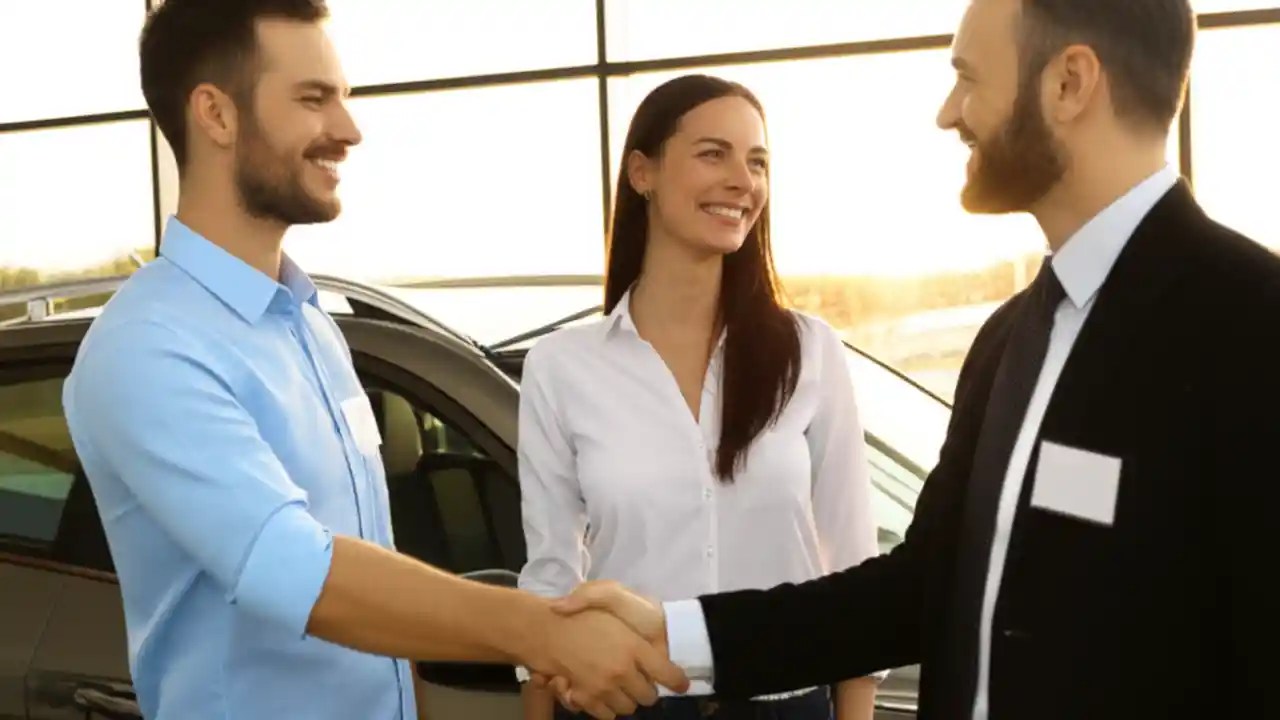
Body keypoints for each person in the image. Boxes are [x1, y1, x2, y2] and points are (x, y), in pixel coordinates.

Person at [538, 1, 1279, 719]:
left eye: (970, 78)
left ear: (1069, 83)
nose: (950, 113)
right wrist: (676, 632)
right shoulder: (1009, 341)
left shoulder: (1254, 325)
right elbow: (919, 589)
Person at [60, 2, 687, 719]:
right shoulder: (147, 346)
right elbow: (298, 572)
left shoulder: (310, 325)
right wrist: (544, 632)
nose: (349, 129)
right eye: (313, 99)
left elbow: (366, 579)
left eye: (344, 98)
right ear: (217, 115)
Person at [515, 74, 882, 720]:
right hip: (625, 704)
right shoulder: (562, 367)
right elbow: (550, 581)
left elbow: (853, 568)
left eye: (757, 162)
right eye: (714, 154)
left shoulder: (809, 351)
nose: (743, 181)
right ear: (643, 173)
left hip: (784, 704)